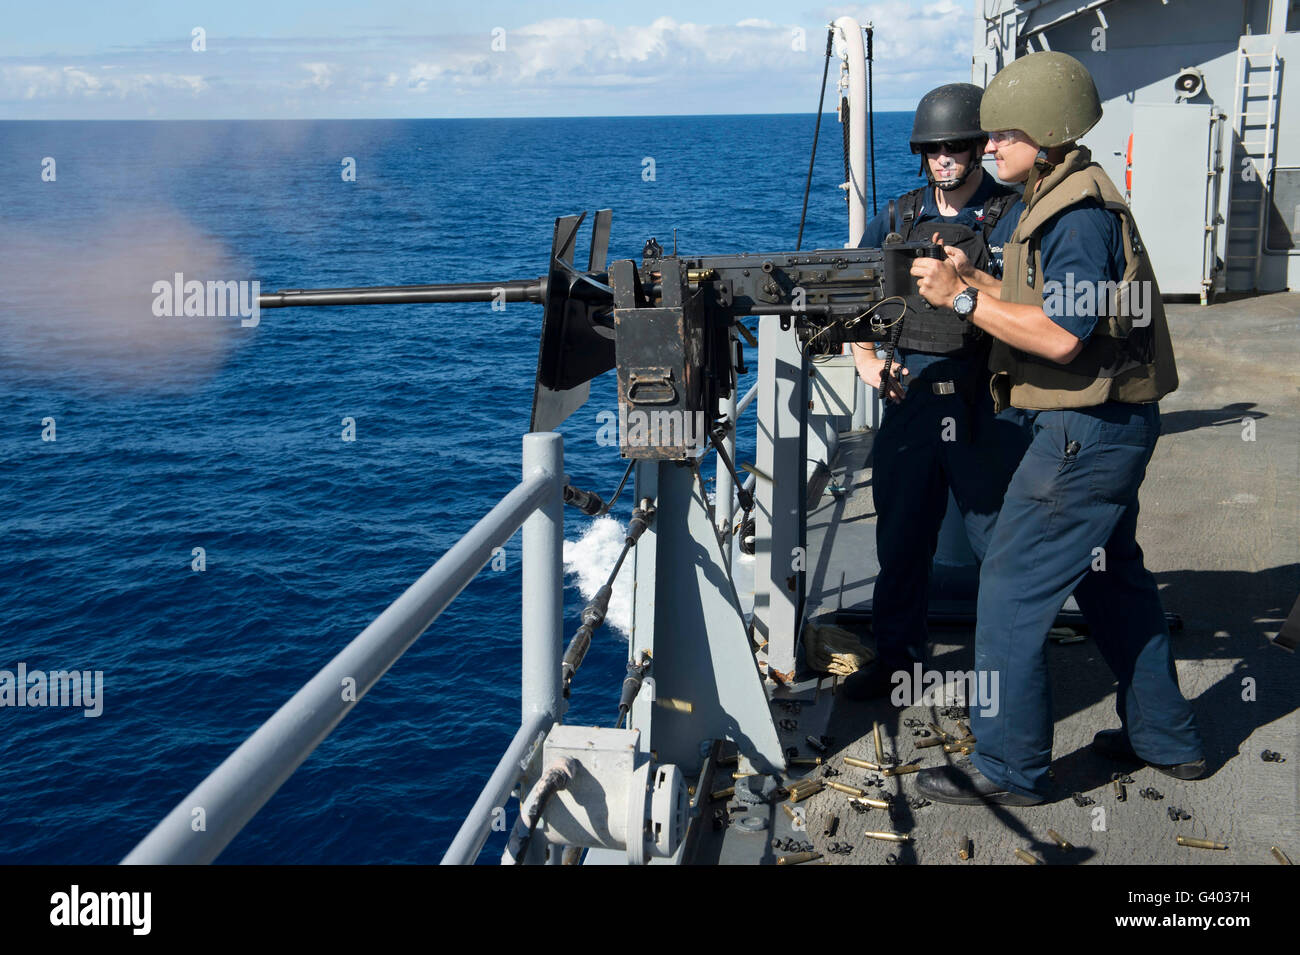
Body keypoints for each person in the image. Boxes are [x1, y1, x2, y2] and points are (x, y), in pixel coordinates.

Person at [909, 52, 1205, 806]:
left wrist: (961, 304)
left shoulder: (1074, 218)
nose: (988, 148)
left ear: (1046, 133)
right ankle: (1166, 737)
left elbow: (1062, 338)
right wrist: (976, 280)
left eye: (1002, 134)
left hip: (1085, 436)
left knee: (1009, 587)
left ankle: (1011, 769)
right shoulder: (1068, 195)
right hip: (1106, 427)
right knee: (1115, 586)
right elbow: (1054, 306)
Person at [844, 83, 1029, 701]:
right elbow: (851, 295)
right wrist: (868, 361)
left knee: (1001, 547)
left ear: (978, 148)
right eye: (932, 149)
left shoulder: (1017, 215)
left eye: (954, 146)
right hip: (915, 395)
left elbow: (1038, 309)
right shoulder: (898, 218)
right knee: (900, 540)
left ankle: (1007, 677)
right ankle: (898, 662)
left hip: (987, 399)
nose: (942, 159)